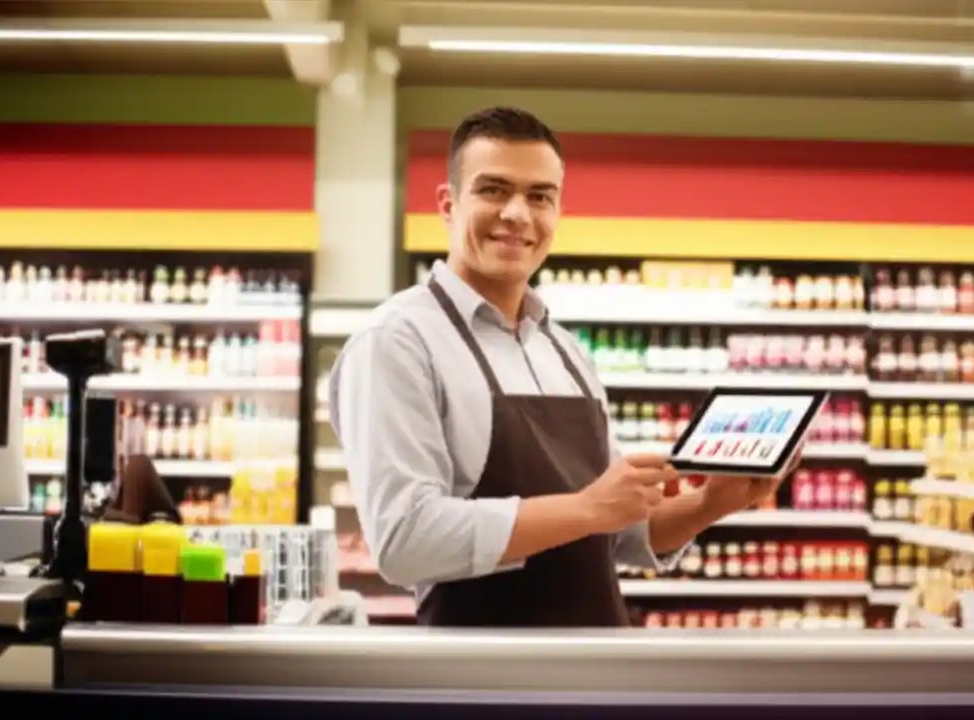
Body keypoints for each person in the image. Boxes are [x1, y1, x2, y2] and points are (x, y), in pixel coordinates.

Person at [329, 106, 800, 627]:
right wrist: (588, 508)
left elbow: (616, 534)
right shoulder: (397, 342)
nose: (517, 214)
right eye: (493, 190)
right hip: (478, 685)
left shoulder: (565, 352)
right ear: (448, 203)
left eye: (539, 196)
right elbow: (404, 539)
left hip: (595, 675)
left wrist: (711, 502)